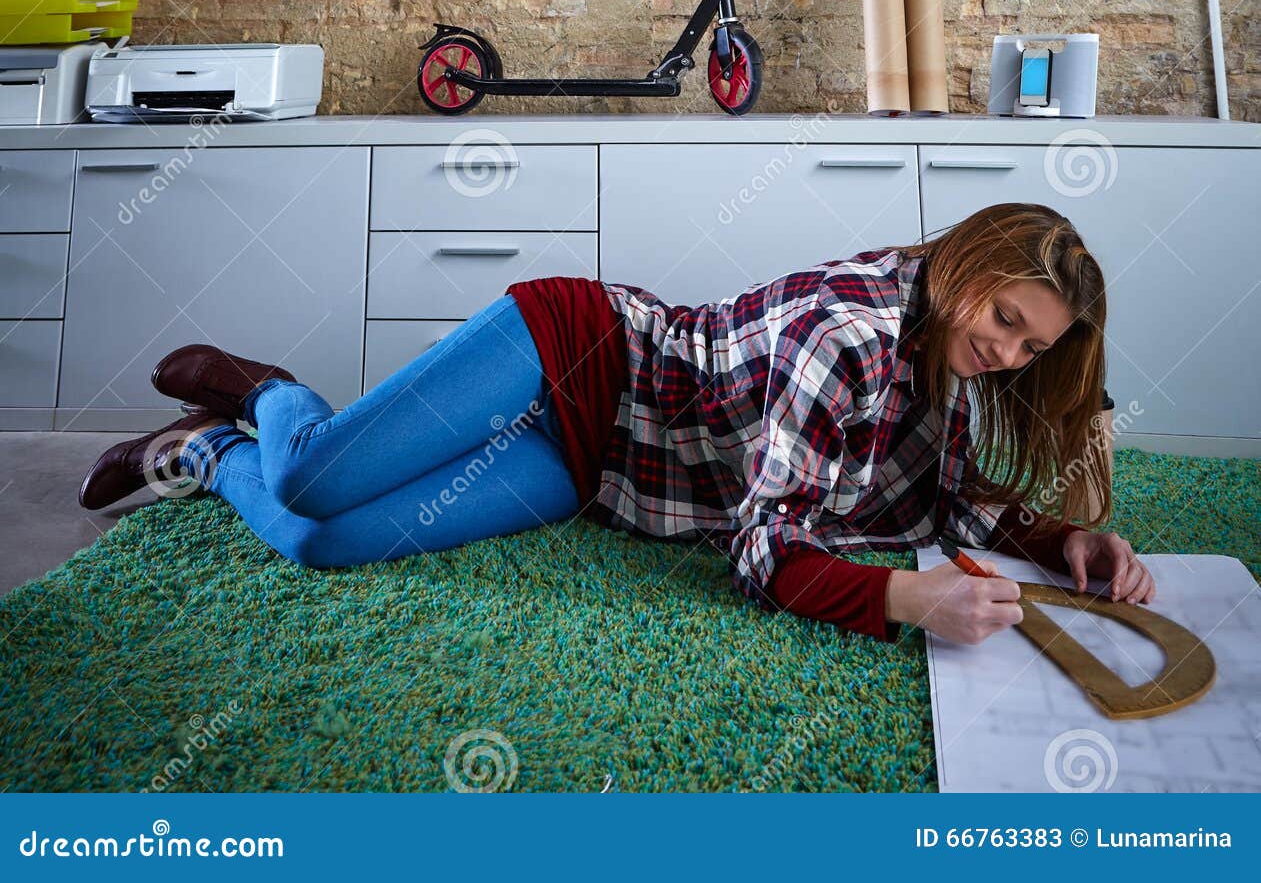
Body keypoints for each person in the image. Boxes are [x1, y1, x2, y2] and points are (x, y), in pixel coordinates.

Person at [77, 201, 1153, 644]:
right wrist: (899, 597)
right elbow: (765, 548)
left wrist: (1061, 541)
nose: (1007, 354)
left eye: (1031, 348)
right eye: (1004, 321)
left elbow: (950, 488)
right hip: (574, 346)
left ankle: (203, 451)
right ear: (967, 268)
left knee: (316, 541)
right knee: (311, 479)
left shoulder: (950, 349)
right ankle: (266, 393)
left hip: (600, 462)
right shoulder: (852, 334)